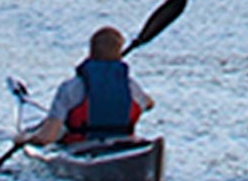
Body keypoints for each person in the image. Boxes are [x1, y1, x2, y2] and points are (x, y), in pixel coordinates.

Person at [26, 26, 154, 143]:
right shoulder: (131, 87)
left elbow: (48, 137)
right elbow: (149, 103)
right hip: (121, 145)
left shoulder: (70, 88)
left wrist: (24, 139)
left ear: (90, 52)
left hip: (81, 146)